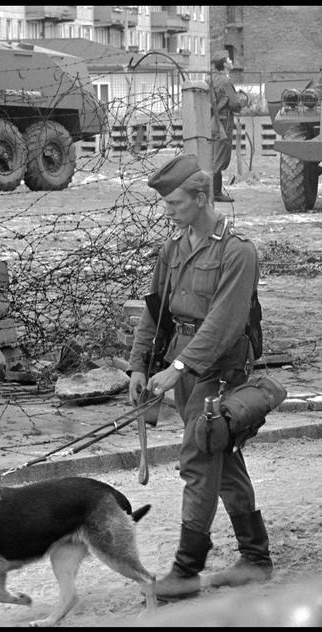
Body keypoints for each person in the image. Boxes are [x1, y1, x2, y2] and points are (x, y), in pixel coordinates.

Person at [128, 154, 272, 599]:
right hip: (183, 368)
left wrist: (178, 368)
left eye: (174, 202)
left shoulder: (237, 251)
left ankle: (186, 571)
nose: (167, 210)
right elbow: (157, 313)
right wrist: (140, 365)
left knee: (197, 460)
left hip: (220, 371)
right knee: (222, 460)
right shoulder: (172, 249)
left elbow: (224, 323)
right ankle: (255, 558)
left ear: (202, 196)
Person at [209, 50, 242, 203]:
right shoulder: (226, 82)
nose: (231, 61)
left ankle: (212, 190)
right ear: (224, 64)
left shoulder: (210, 79)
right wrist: (240, 104)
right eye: (229, 59)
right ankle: (215, 192)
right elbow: (234, 104)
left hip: (211, 121)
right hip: (224, 121)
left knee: (213, 155)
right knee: (221, 157)